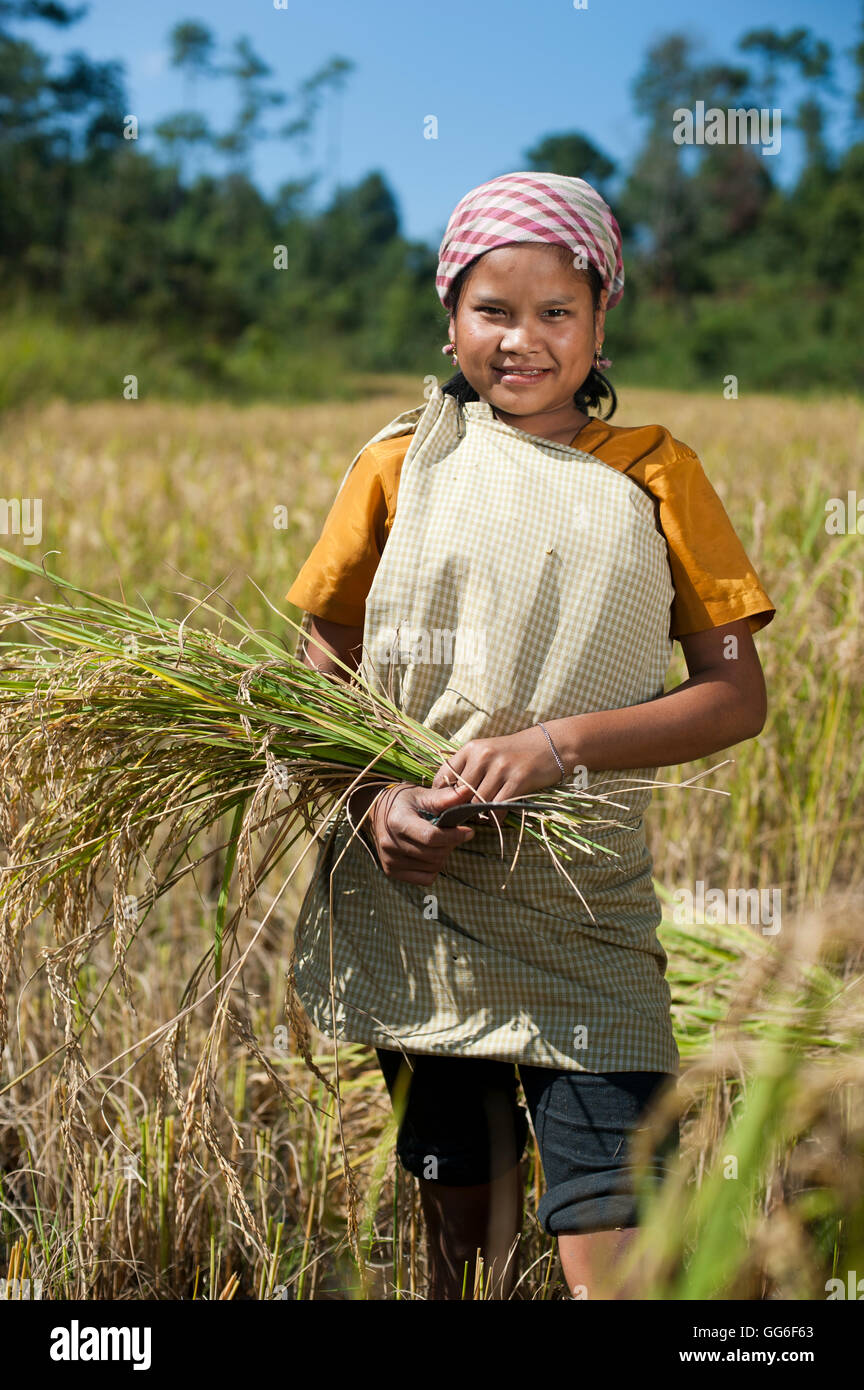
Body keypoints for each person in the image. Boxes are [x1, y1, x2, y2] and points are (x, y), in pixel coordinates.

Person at [284, 171, 775, 1300]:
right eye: (492, 310)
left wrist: (557, 746)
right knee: (467, 1233)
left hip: (584, 911)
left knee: (616, 1237)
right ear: (449, 315)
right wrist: (375, 807)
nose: (523, 339)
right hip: (423, 900)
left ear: (604, 319)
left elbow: (735, 695)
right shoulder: (398, 465)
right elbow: (316, 683)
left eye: (557, 310)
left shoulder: (657, 473)